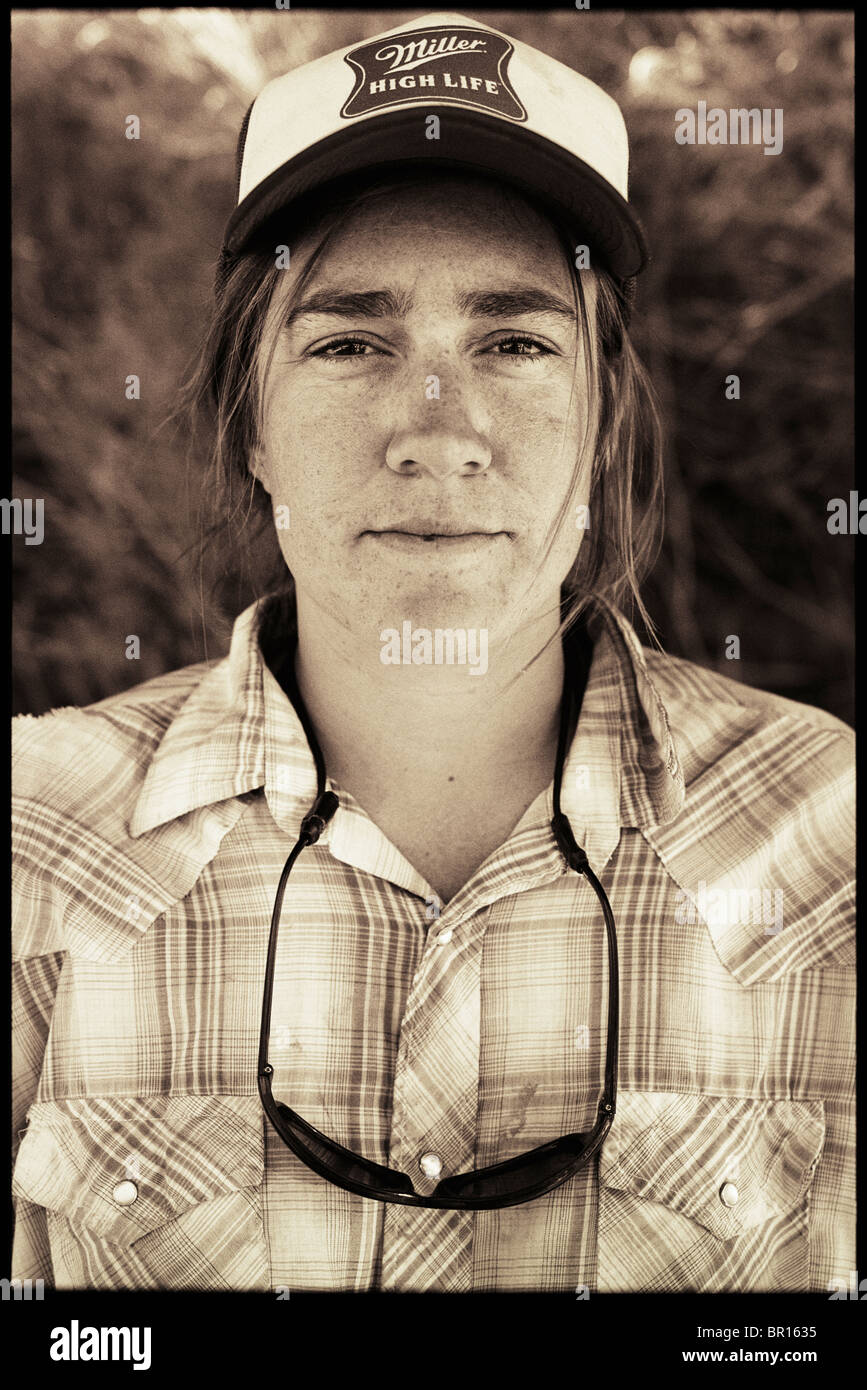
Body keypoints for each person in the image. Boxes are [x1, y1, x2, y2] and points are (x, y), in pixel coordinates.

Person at [12, 10, 854, 1294]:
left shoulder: (833, 847)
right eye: (352, 342)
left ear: (605, 417)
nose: (437, 430)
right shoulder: (36, 835)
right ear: (251, 423)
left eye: (514, 343)